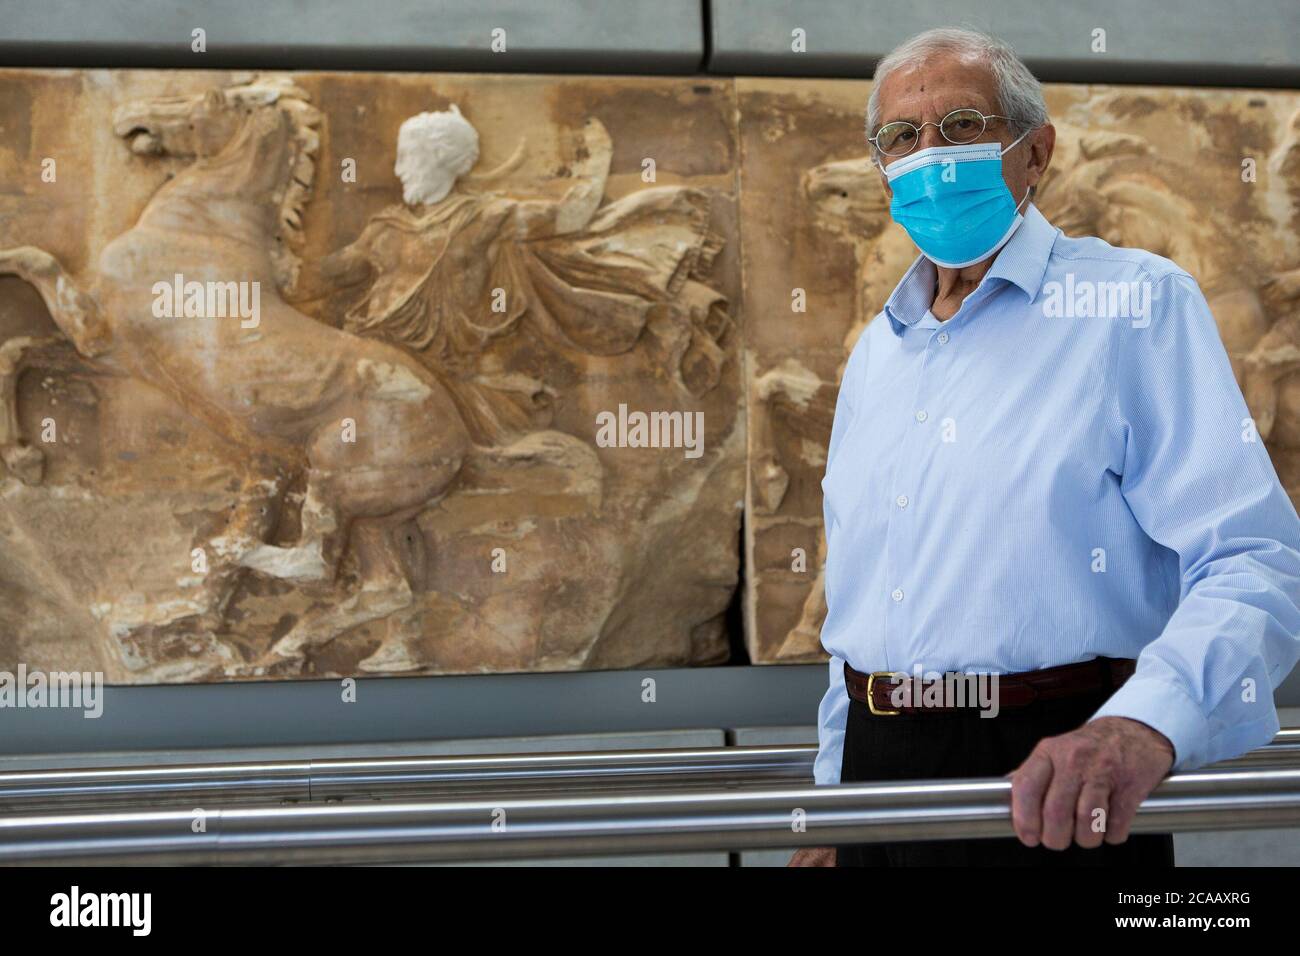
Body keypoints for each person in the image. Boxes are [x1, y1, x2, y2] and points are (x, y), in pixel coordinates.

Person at [789, 27, 1300, 867]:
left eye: (961, 127)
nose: (929, 155)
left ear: (1037, 153)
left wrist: (1143, 723)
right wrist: (831, 796)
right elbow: (862, 612)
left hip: (1059, 774)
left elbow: (1254, 559)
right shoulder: (879, 349)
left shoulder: (1132, 306)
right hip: (876, 779)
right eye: (902, 137)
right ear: (880, 168)